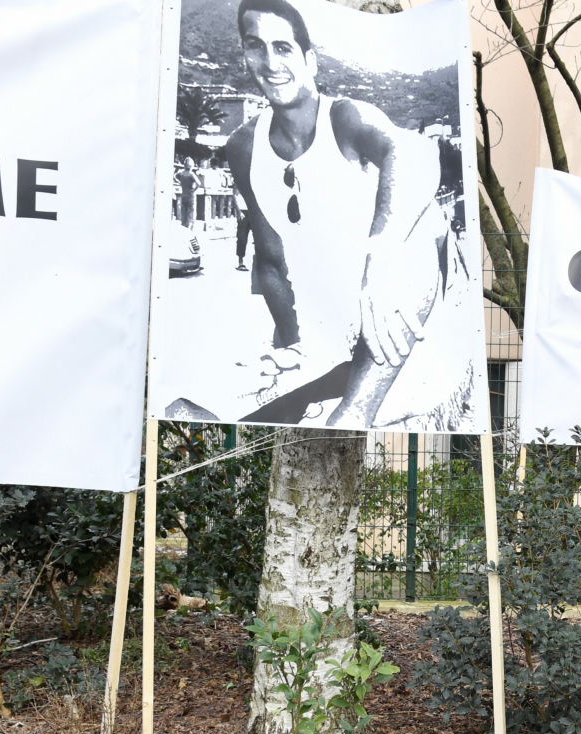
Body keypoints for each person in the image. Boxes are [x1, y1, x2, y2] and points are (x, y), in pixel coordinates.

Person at [170, 0, 466, 427]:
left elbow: (415, 152)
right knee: (186, 407)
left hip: (398, 297)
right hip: (336, 316)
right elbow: (270, 260)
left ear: (309, 60)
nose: (270, 62)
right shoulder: (243, 147)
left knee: (420, 224)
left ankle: (354, 413)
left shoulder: (344, 117)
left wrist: (379, 262)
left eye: (283, 48)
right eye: (256, 47)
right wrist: (292, 345)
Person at [176, 157, 198, 228]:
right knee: (191, 210)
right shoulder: (191, 174)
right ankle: (190, 225)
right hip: (190, 194)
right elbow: (199, 183)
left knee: (184, 210)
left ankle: (184, 224)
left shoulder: (181, 173)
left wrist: (179, 182)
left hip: (184, 193)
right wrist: (194, 190)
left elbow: (174, 176)